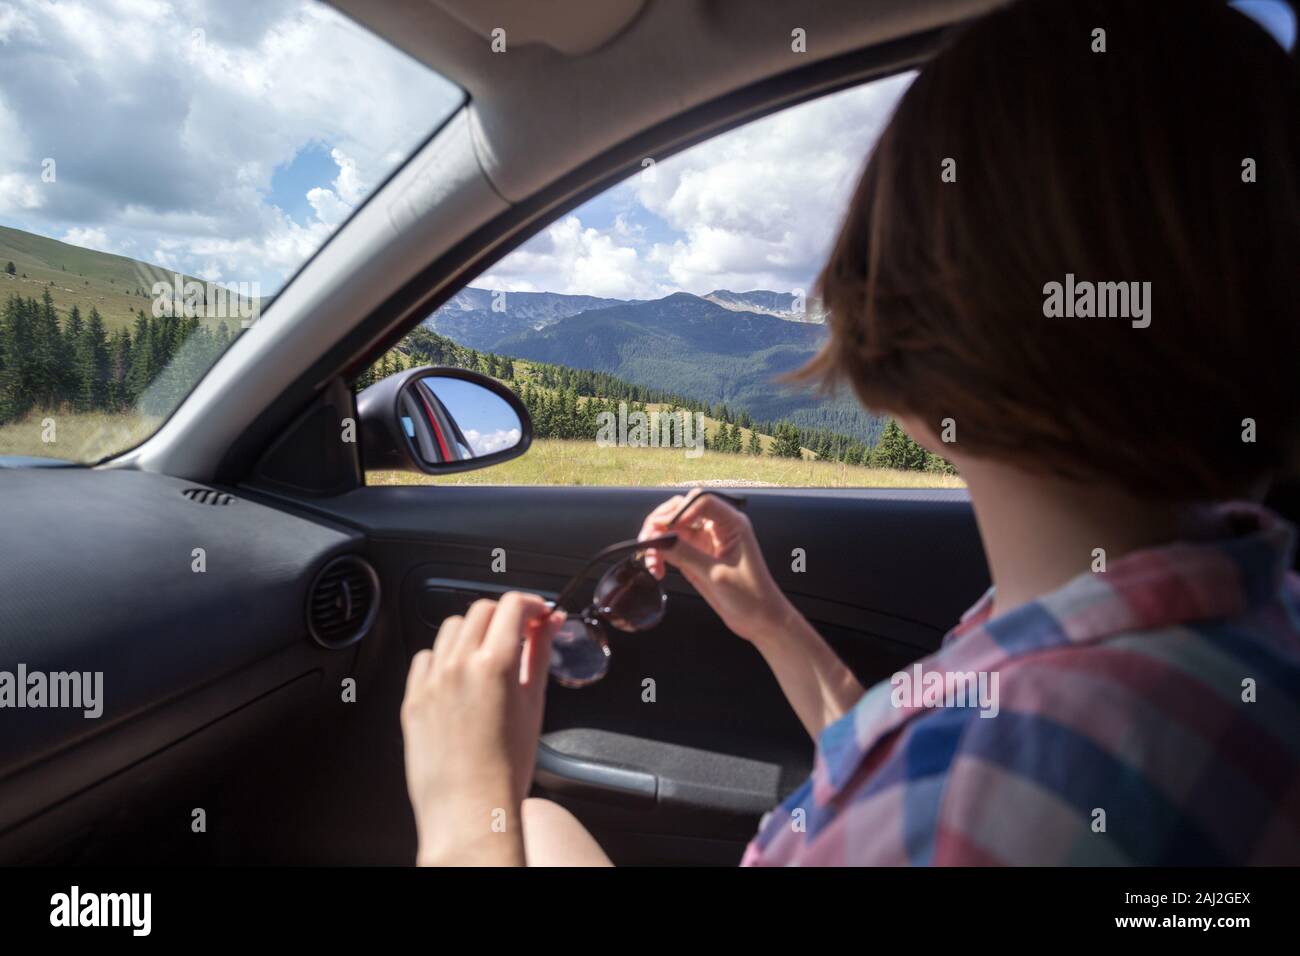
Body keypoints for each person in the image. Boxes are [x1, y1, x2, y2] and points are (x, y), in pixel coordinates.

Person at [399, 0, 1300, 866]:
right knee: (544, 822)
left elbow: (938, 802)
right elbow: (903, 771)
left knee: (520, 821)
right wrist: (776, 626)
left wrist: (458, 814)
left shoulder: (989, 805)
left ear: (911, 327)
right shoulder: (1236, 625)